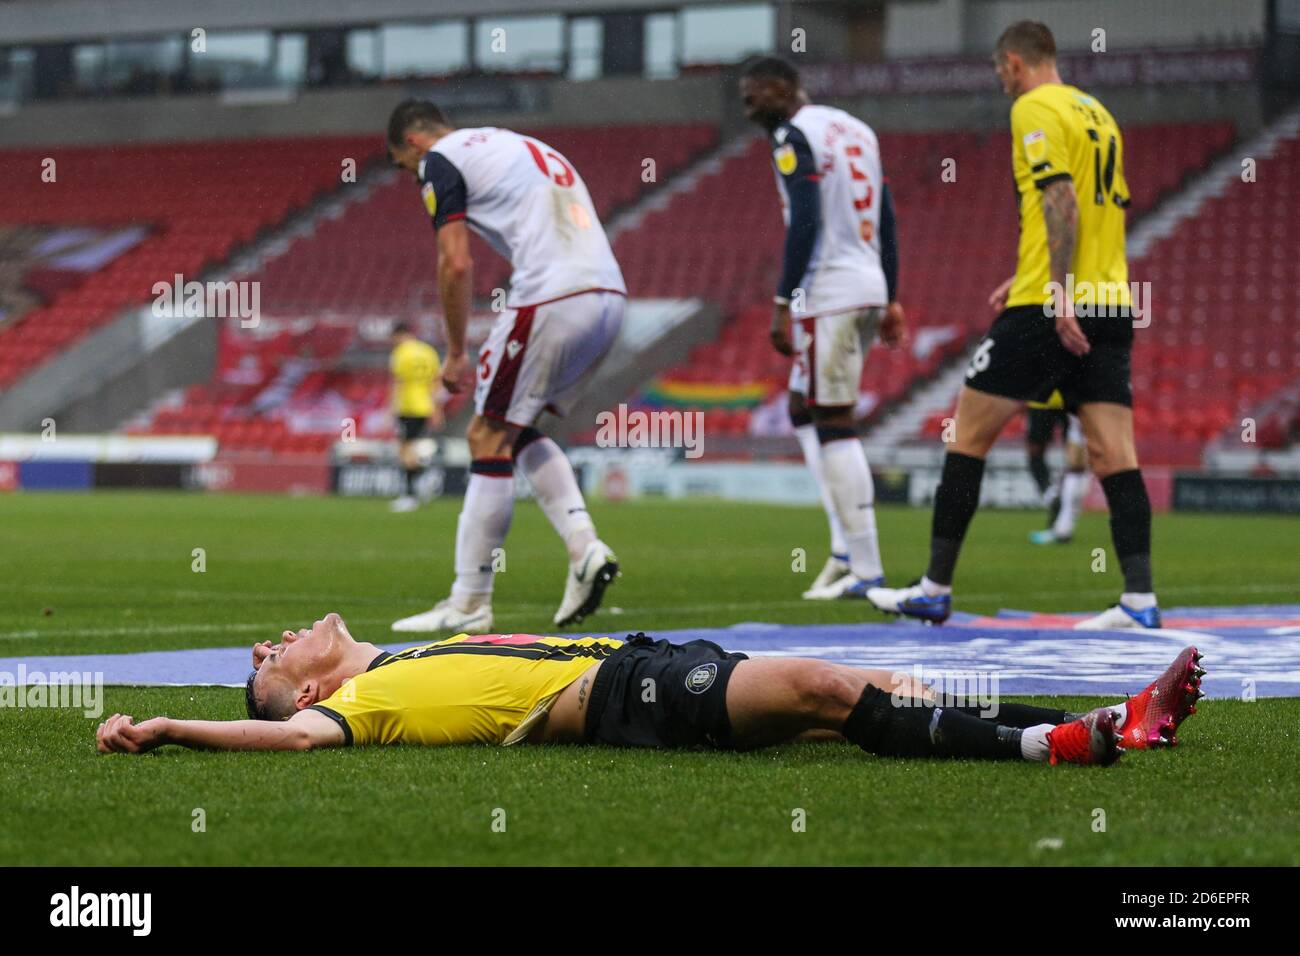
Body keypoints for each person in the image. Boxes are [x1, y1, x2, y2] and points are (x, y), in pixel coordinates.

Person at [868, 21, 1160, 628]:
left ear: (1012, 63)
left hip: (1049, 307)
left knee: (967, 435)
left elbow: (1060, 199)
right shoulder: (1098, 113)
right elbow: (1098, 213)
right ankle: (1139, 600)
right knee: (1115, 453)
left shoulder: (1033, 106)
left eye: (1000, 70)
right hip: (1107, 299)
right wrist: (1032, 273)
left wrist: (1051, 291)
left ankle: (934, 588)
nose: (1001, 80)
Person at [96, 612, 1205, 767]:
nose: (279, 636)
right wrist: (165, 727)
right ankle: (1071, 747)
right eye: (267, 656)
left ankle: (1095, 727)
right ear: (295, 695)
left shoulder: (398, 657)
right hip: (627, 697)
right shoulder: (358, 706)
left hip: (639, 655)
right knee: (825, 685)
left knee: (884, 677)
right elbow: (294, 748)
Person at [384, 100, 624, 634]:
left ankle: (469, 601)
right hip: (609, 296)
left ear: (415, 144)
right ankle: (584, 548)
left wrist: (454, 349)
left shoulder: (440, 160)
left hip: (552, 295)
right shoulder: (519, 144)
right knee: (516, 431)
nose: (411, 176)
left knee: (485, 435)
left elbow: (456, 261)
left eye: (404, 165)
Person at [740, 56, 908, 601]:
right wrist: (892, 292)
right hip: (864, 285)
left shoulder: (793, 135)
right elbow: (886, 215)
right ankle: (843, 548)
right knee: (801, 406)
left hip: (830, 292)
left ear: (784, 89)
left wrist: (782, 301)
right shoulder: (856, 128)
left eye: (755, 94)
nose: (748, 106)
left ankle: (865, 566)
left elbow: (806, 218)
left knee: (834, 418)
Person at [388, 322, 444, 513]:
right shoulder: (429, 352)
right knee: (408, 449)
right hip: (426, 406)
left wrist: (392, 408)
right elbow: (436, 382)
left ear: (399, 335)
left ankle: (411, 494)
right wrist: (437, 409)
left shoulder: (401, 353)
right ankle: (422, 480)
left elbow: (398, 381)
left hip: (408, 406)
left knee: (405, 450)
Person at [1025, 391, 1089, 545]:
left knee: (1076, 464)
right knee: (1077, 466)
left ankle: (1058, 514)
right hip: (1068, 399)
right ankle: (1060, 518)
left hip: (1052, 396)